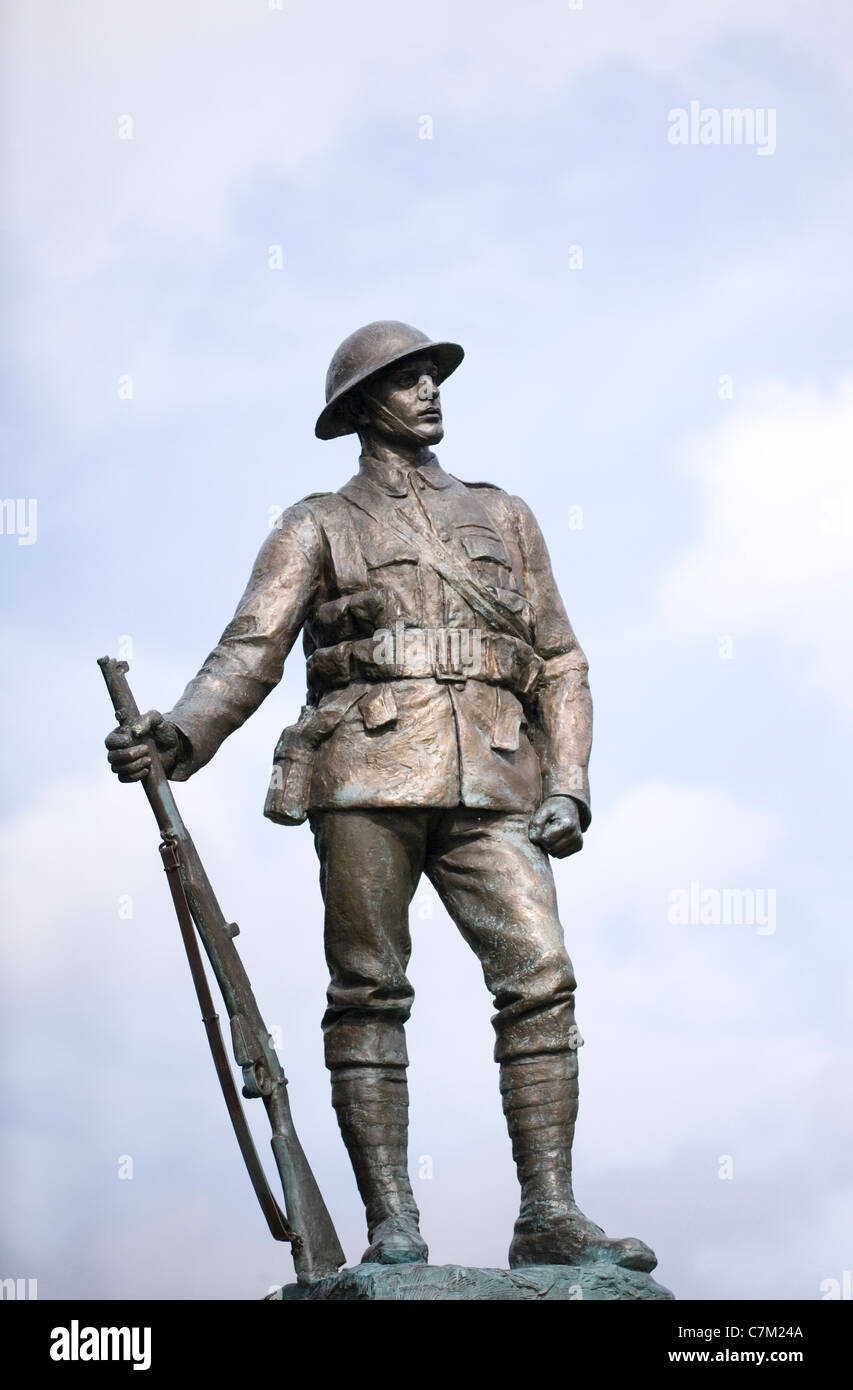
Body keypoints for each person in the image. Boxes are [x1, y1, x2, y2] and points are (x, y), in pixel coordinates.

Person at [106, 320, 656, 1273]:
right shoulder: (317, 522)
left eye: (433, 377)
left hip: (496, 774)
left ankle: (549, 1213)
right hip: (364, 770)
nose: (429, 391)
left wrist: (568, 781)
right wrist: (181, 732)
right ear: (364, 405)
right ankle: (392, 1224)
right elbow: (250, 654)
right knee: (368, 991)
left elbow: (561, 660)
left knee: (541, 978)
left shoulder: (504, 514)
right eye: (406, 381)